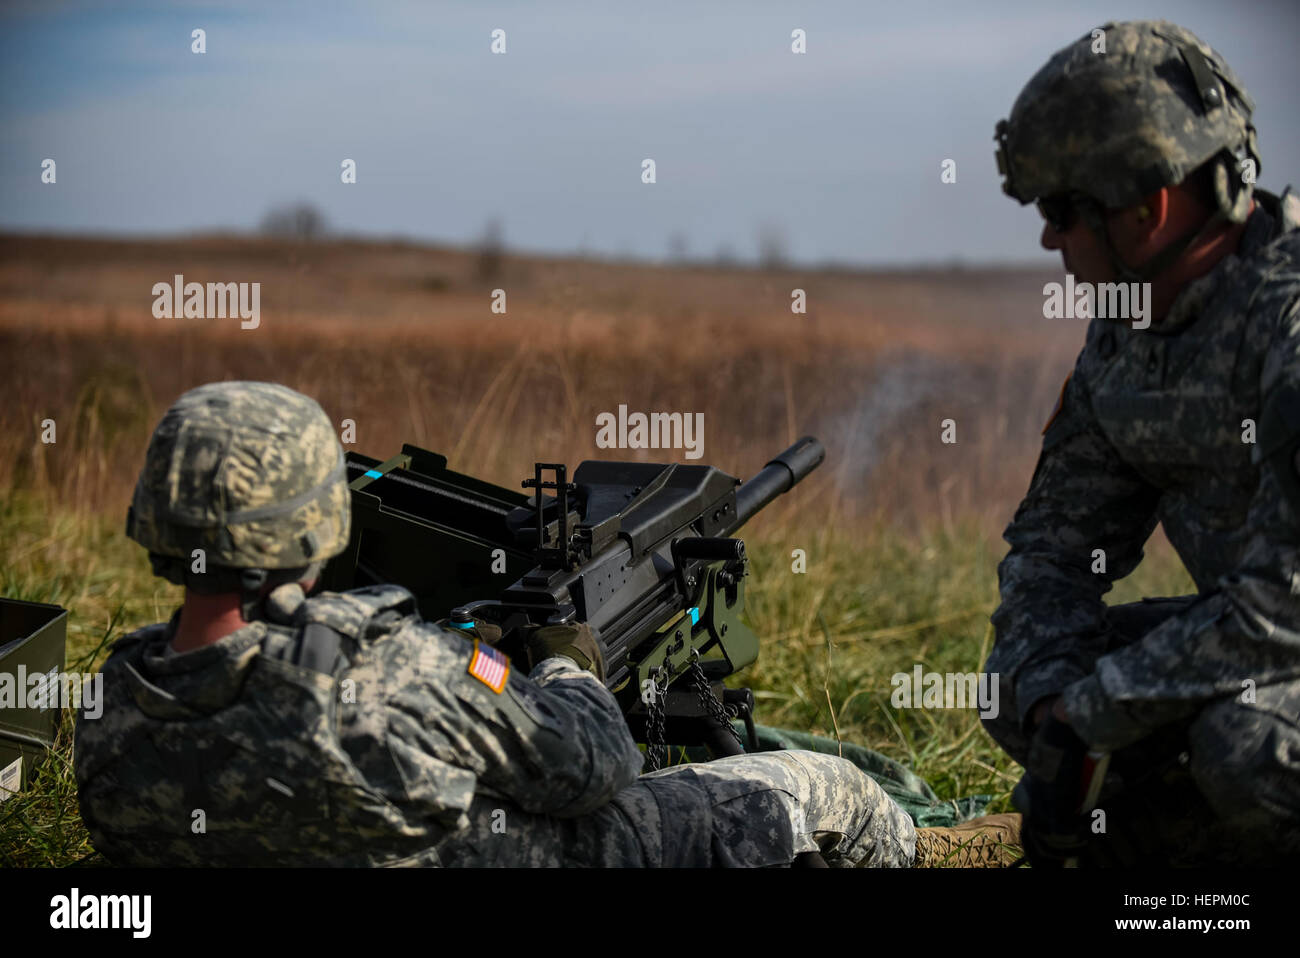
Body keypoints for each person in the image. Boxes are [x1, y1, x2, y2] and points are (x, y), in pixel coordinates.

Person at [76, 380, 1010, 867]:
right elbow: (595, 765)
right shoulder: (384, 672)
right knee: (819, 784)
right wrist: (562, 665)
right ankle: (925, 854)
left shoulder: (114, 705)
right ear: (316, 523)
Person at [986, 19, 1300, 865]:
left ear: (1147, 209)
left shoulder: (1289, 327)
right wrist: (1053, 700)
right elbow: (1054, 549)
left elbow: (1284, 604)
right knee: (1016, 686)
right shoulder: (1128, 336)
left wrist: (1098, 713)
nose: (1049, 240)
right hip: (1260, 650)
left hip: (1281, 642)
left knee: (1247, 743)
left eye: (1061, 210)